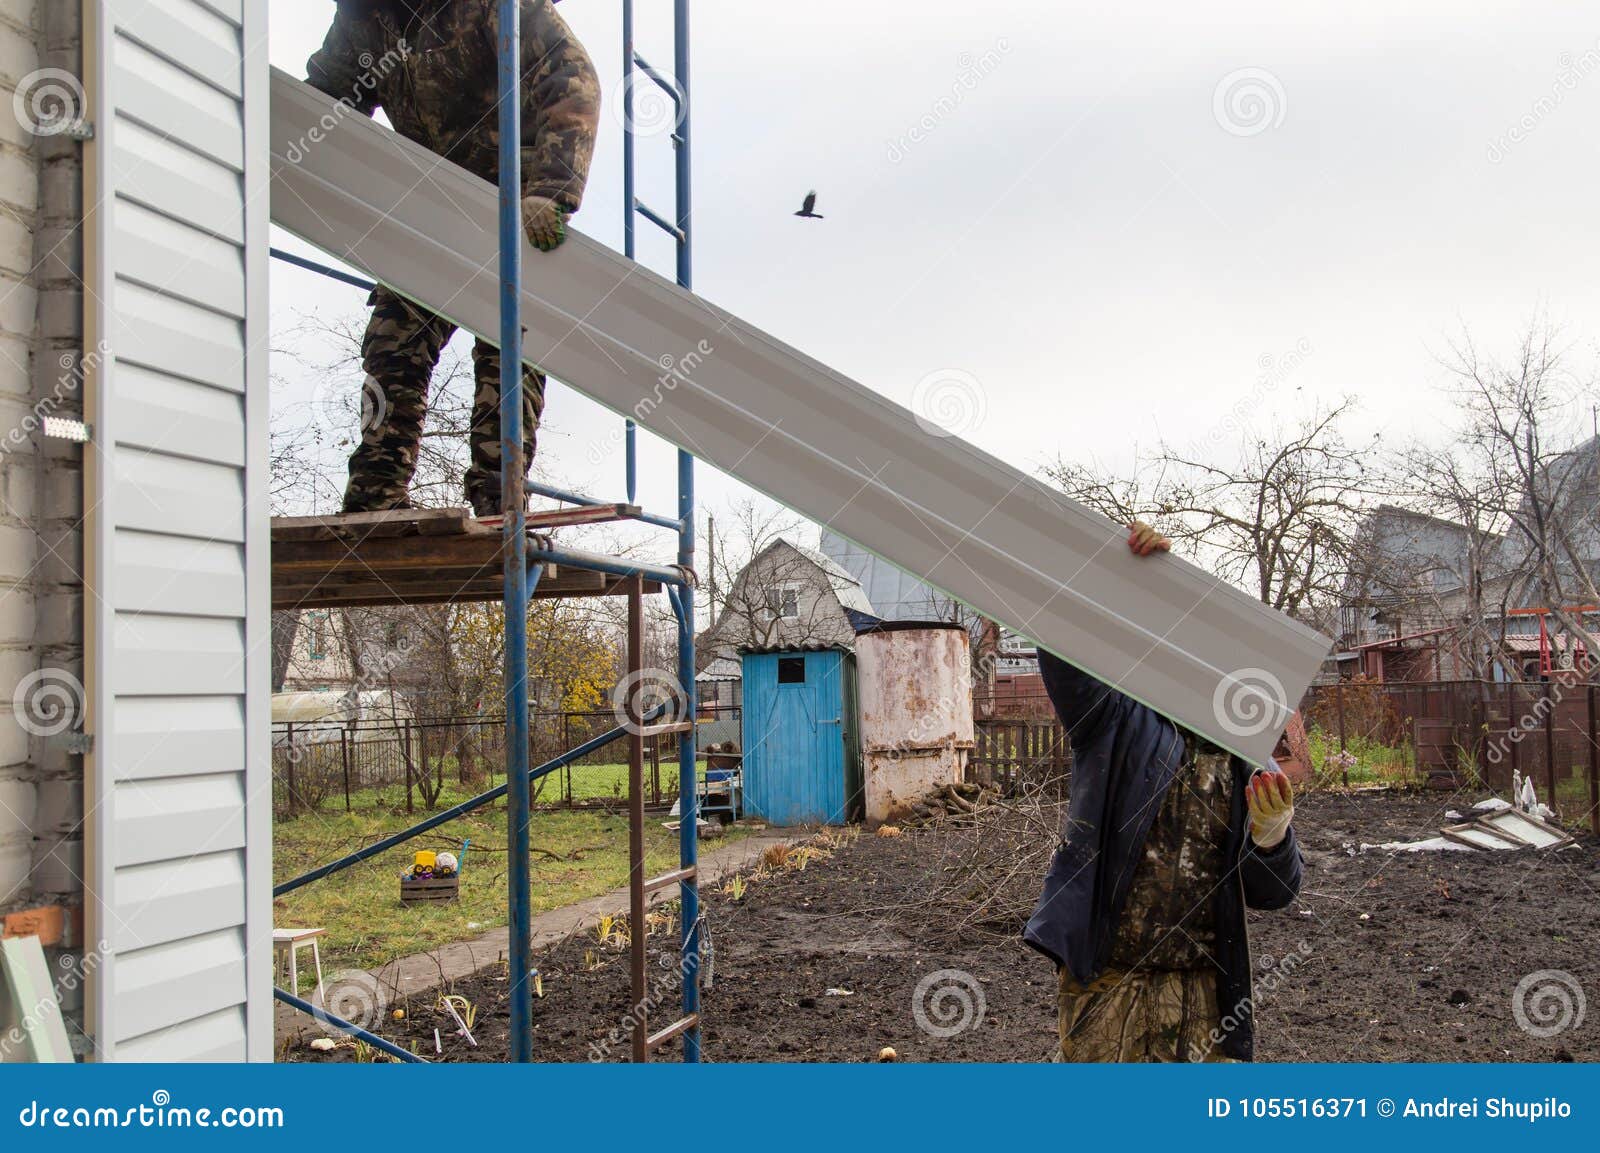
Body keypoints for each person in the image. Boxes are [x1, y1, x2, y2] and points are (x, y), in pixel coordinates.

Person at [305, 0, 601, 517]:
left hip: (511, 204)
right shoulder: (363, 17)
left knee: (510, 350)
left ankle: (498, 502)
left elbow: (570, 78)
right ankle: (375, 498)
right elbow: (328, 98)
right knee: (393, 343)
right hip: (429, 208)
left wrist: (552, 190)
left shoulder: (491, 4)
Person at [1022, 521, 1303, 1062]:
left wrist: (1272, 839)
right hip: (1109, 982)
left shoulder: (1248, 757)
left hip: (1204, 991)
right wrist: (1121, 575)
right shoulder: (1114, 718)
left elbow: (1275, 893)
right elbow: (1061, 638)